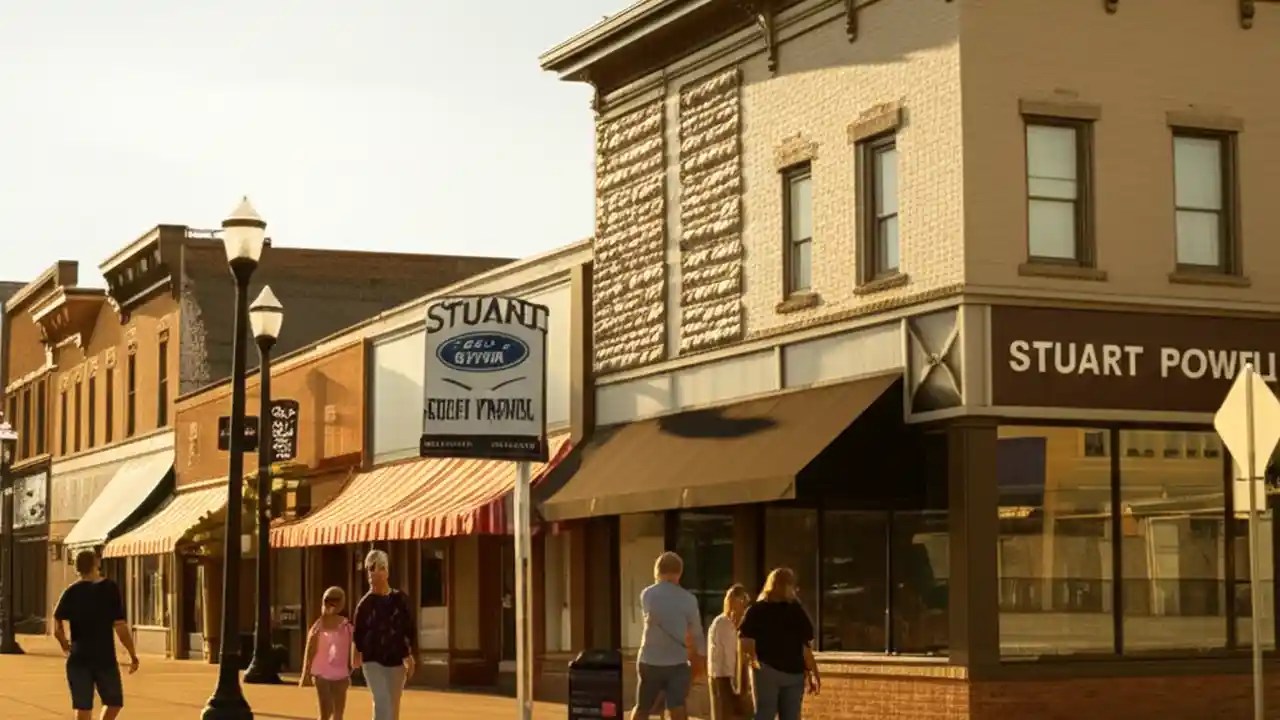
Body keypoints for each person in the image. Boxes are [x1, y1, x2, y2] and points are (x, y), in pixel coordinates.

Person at [52, 549, 139, 720]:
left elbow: (57, 622)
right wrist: (132, 654)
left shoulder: (71, 591)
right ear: (96, 564)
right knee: (114, 702)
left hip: (79, 658)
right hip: (104, 658)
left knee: (83, 707)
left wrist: (65, 644)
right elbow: (120, 626)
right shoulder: (109, 588)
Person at [631, 551, 706, 720]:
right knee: (677, 705)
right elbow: (696, 633)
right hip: (678, 661)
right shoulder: (689, 599)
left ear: (657, 571)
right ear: (680, 572)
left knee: (643, 706)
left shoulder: (647, 594)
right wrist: (700, 657)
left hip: (649, 659)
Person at [738, 568, 819, 720]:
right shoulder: (791, 611)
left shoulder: (760, 610)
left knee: (768, 714)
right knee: (777, 714)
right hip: (781, 671)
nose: (794, 589)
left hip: (777, 671)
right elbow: (805, 645)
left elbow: (745, 641)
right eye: (791, 584)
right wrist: (811, 671)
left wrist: (812, 671)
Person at [353, 550, 417, 720]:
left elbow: (409, 629)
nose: (374, 573)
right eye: (370, 569)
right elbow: (358, 634)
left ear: (387, 572)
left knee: (393, 706)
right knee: (382, 701)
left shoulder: (400, 600)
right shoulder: (364, 605)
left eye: (380, 568)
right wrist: (356, 654)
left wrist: (410, 655)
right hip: (372, 660)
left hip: (397, 660)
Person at [301, 586, 353, 720]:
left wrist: (306, 673)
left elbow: (310, 650)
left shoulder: (321, 626)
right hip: (331, 675)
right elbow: (311, 649)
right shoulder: (344, 626)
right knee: (334, 713)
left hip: (330, 675)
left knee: (329, 714)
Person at [708, 584, 753, 720]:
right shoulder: (724, 623)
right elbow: (728, 657)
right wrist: (735, 684)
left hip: (735, 676)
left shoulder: (739, 624)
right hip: (724, 677)